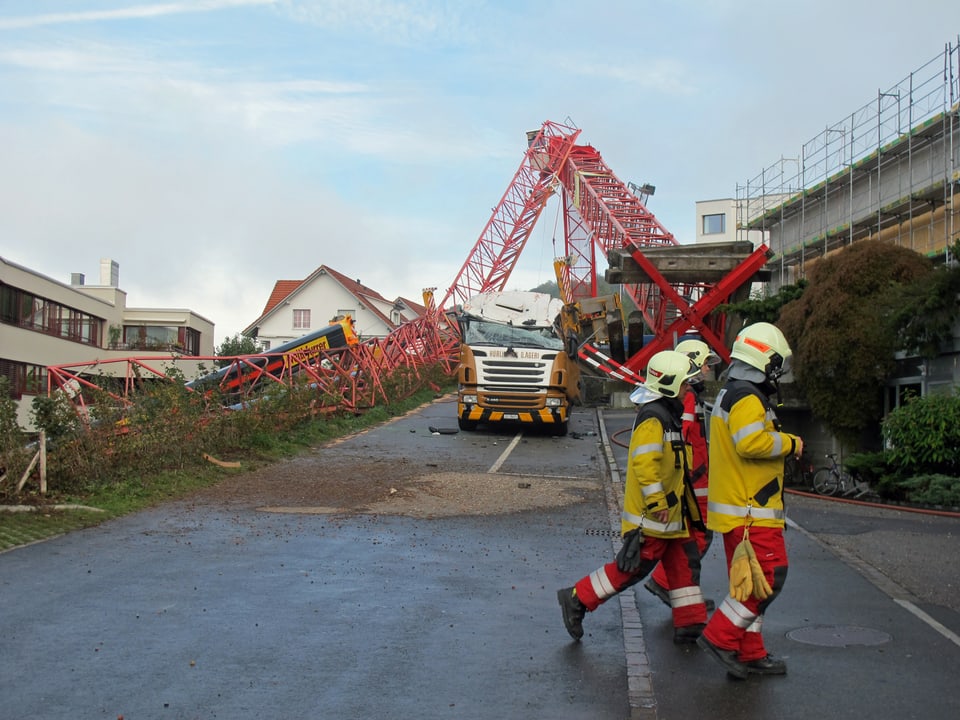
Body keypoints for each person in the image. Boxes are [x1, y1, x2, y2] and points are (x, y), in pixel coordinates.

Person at [557, 350, 710, 644]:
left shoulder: (667, 415)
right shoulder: (655, 419)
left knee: (684, 563)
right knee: (632, 568)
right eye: (684, 384)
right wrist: (658, 503)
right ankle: (577, 598)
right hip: (654, 518)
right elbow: (644, 465)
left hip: (672, 516)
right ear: (669, 385)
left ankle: (690, 622)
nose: (689, 389)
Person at [696, 322, 803, 679]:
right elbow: (751, 443)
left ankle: (750, 652)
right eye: (777, 365)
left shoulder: (735, 392)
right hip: (751, 512)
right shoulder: (746, 397)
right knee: (770, 577)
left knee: (749, 584)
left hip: (741, 510)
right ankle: (721, 638)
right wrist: (790, 443)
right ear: (766, 362)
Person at [644, 339, 720, 611]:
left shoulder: (688, 396)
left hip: (695, 479)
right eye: (705, 364)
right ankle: (672, 588)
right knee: (698, 537)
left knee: (690, 539)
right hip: (695, 481)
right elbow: (685, 439)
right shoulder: (688, 398)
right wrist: (691, 475)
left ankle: (676, 593)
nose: (709, 369)